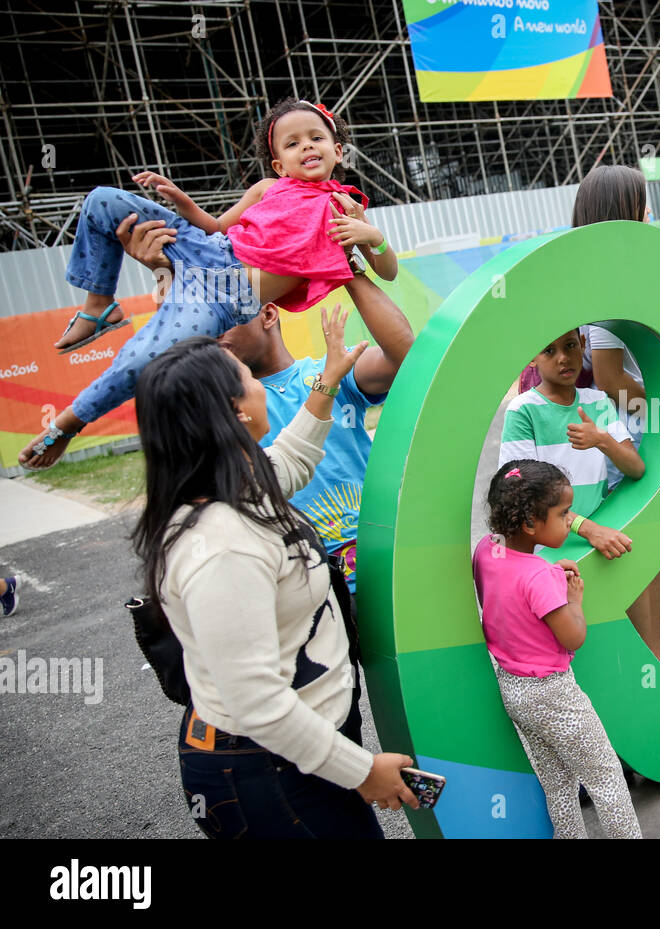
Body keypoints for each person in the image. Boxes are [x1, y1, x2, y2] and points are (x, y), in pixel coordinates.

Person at [131, 309, 418, 839]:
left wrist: (328, 379)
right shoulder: (222, 549)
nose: (254, 379)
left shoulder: (237, 483)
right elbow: (257, 702)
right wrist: (361, 771)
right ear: (235, 412)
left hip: (299, 754)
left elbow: (295, 456)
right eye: (243, 376)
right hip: (268, 772)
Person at [19, 98, 397, 471]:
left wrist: (373, 236)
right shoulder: (267, 188)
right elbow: (216, 226)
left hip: (223, 298)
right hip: (209, 250)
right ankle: (99, 304)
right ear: (279, 165)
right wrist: (182, 201)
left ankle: (67, 423)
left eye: (316, 137)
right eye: (293, 143)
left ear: (338, 150)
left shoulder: (344, 209)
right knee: (104, 201)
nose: (308, 146)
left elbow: (387, 270)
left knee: (138, 359)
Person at [115, 213, 415, 594]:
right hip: (303, 587)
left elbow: (405, 354)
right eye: (204, 318)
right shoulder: (220, 406)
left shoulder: (329, 373)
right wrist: (163, 272)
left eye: (224, 315)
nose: (211, 327)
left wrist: (344, 266)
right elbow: (173, 362)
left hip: (382, 571)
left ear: (268, 313)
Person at [474, 459, 642, 839]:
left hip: (513, 689)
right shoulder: (542, 578)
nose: (570, 520)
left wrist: (547, 576)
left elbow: (512, 584)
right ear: (531, 522)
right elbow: (573, 637)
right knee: (605, 777)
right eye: (564, 513)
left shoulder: (488, 549)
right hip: (553, 694)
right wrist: (573, 599)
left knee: (558, 783)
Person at [570, 164, 660, 670]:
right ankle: (644, 661)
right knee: (640, 548)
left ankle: (653, 655)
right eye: (641, 203)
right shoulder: (604, 280)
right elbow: (612, 377)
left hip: (641, 427)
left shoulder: (623, 269)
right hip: (632, 432)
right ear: (620, 210)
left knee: (658, 546)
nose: (649, 213)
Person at [501, 329, 644, 560]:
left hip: (600, 541)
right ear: (531, 357)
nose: (563, 358)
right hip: (550, 550)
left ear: (583, 344)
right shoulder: (523, 410)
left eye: (570, 345)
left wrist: (602, 440)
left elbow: (636, 468)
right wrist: (588, 529)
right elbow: (521, 490)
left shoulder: (597, 402)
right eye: (549, 350)